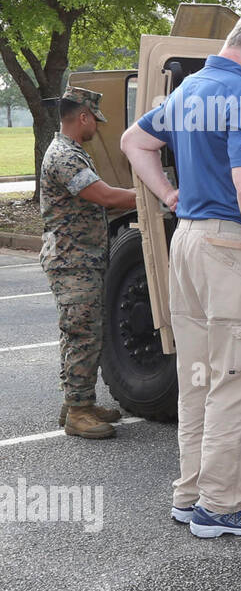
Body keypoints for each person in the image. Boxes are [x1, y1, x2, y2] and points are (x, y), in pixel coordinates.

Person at [121, 11, 241, 538]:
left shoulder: (189, 89)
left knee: (198, 376)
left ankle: (191, 493)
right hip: (232, 244)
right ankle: (221, 507)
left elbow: (133, 142)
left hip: (189, 241)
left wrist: (170, 195)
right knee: (240, 377)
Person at [38, 87, 137, 439]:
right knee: (82, 333)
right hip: (72, 261)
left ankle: (78, 402)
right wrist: (154, 193)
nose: (97, 125)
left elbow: (102, 199)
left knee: (80, 332)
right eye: (95, 118)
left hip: (80, 258)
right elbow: (104, 196)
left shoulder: (73, 152)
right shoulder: (64, 155)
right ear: (83, 117)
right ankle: (78, 411)